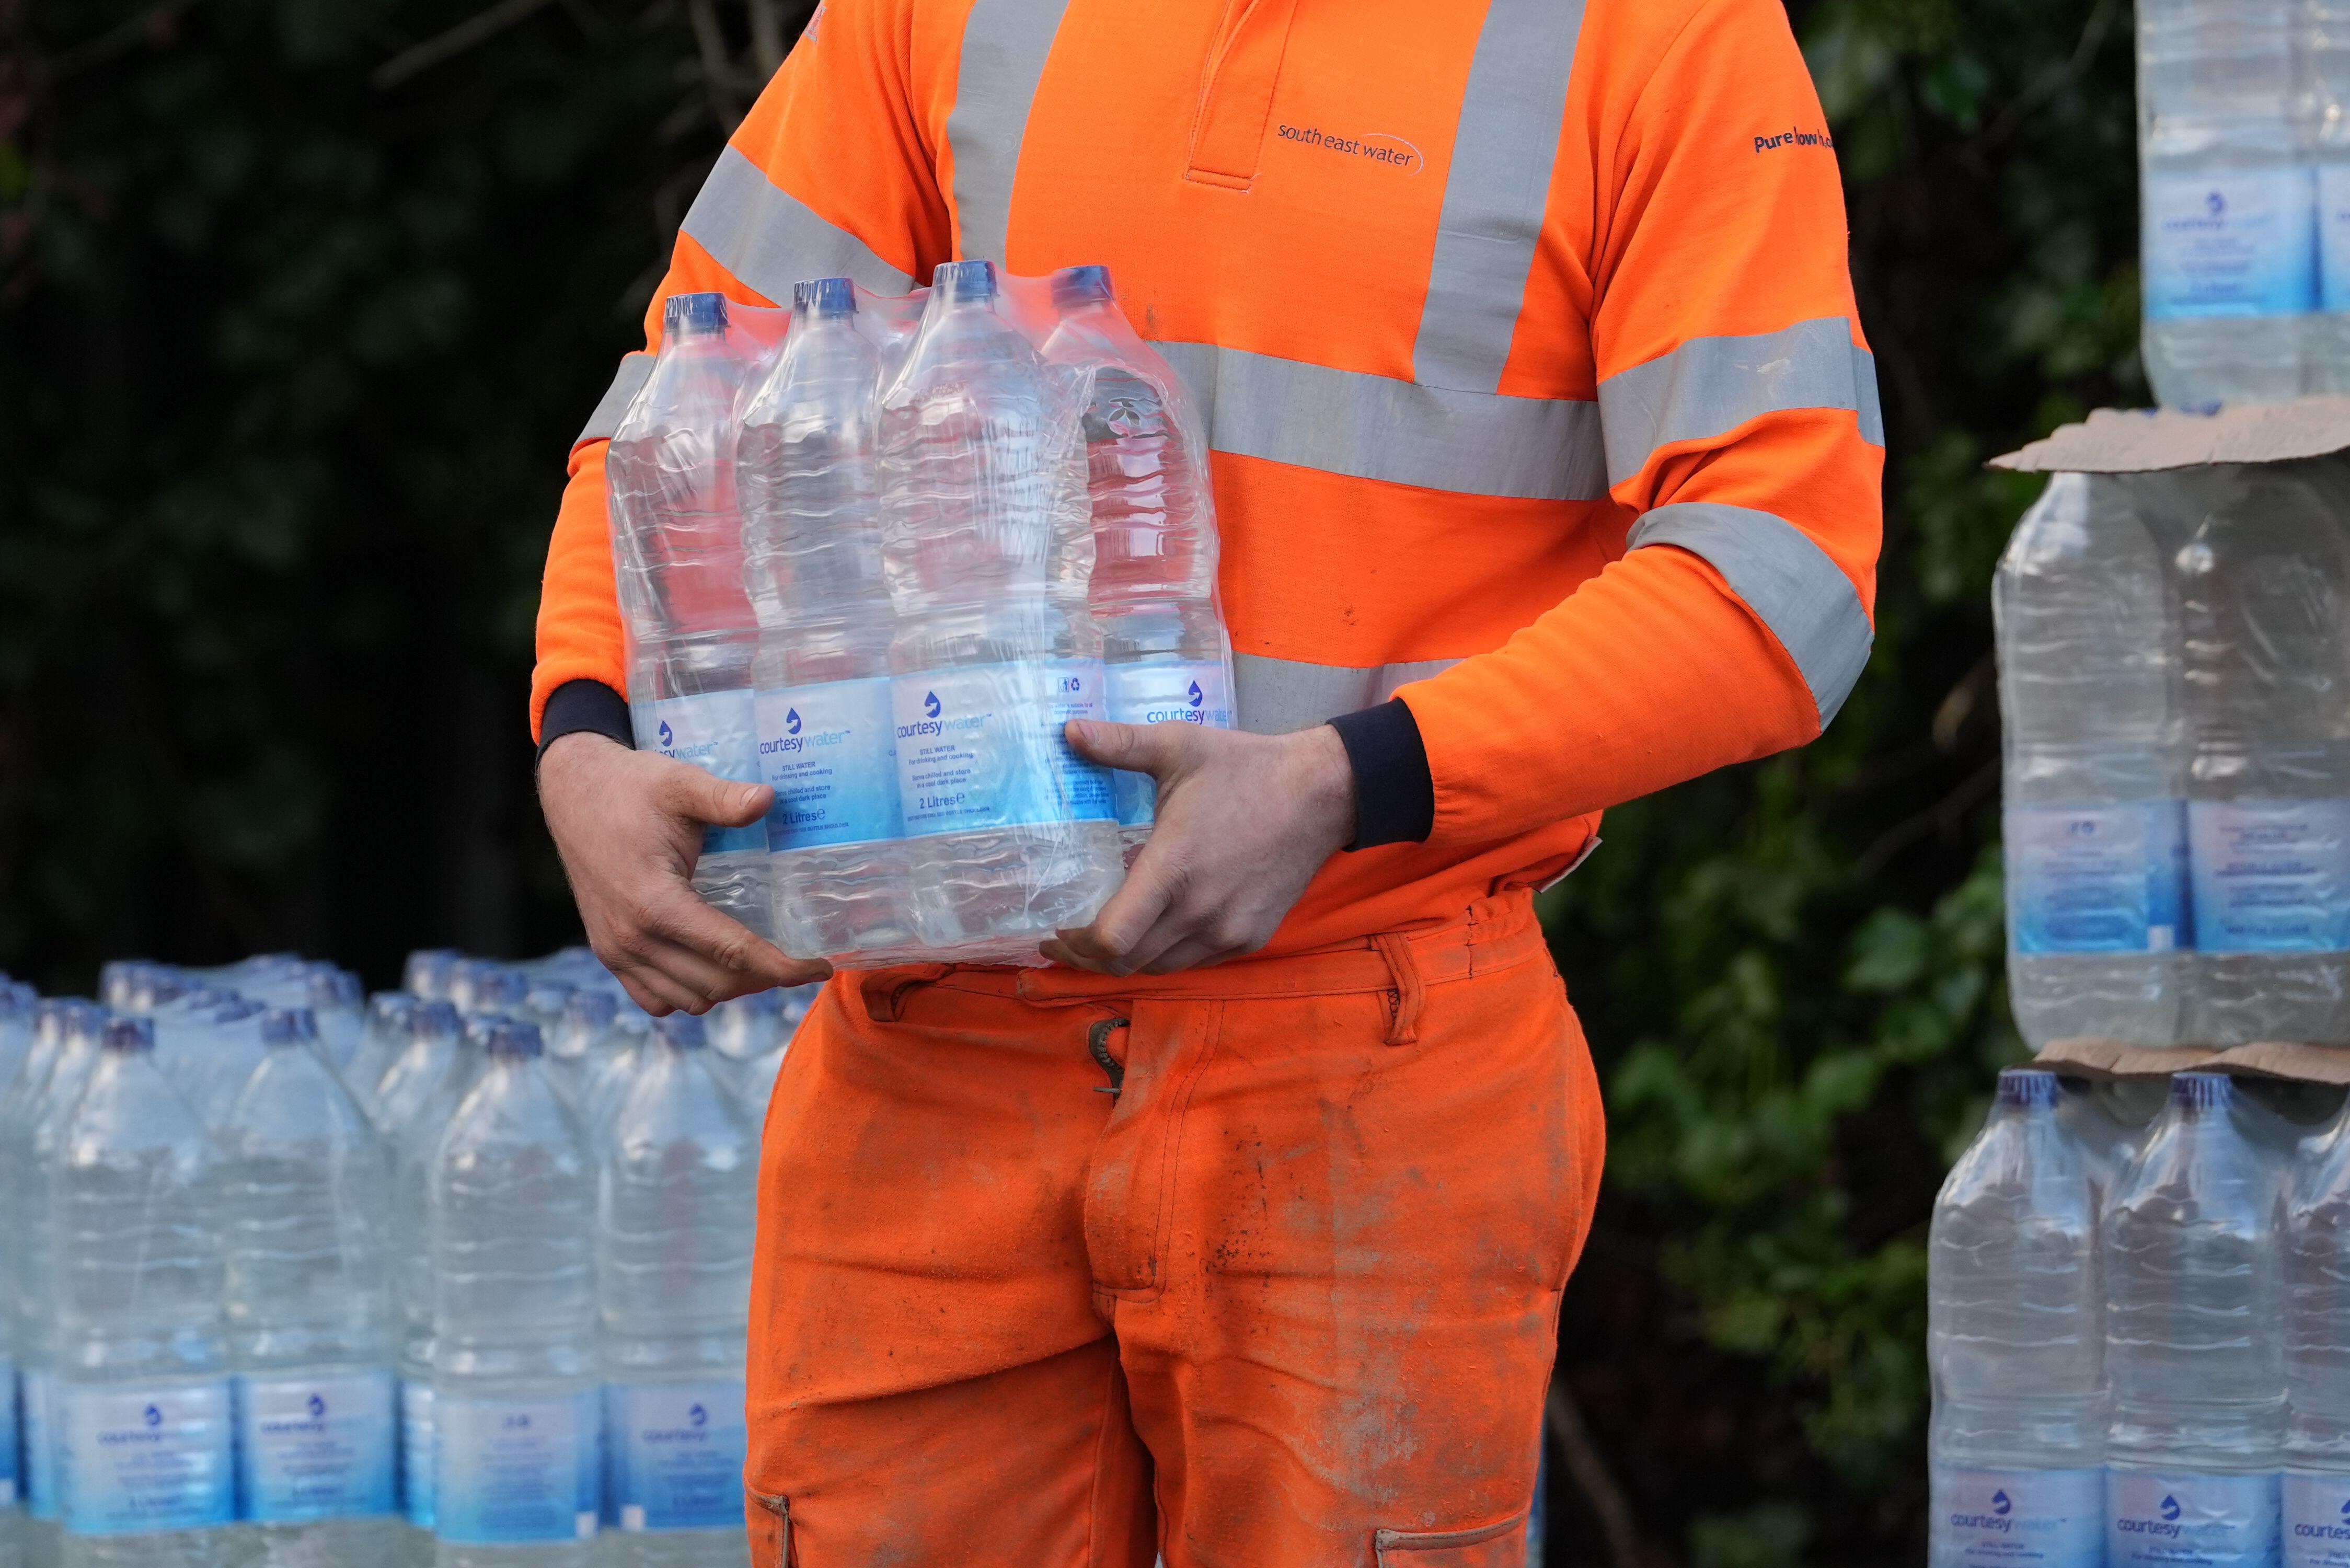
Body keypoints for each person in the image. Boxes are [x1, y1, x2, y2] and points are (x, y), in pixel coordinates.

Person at [531, 0, 1882, 1560]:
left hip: (1369, 1061)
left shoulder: (1660, 33)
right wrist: (587, 730)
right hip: (933, 1046)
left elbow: (1782, 582)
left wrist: (1345, 783)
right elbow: (685, 397)